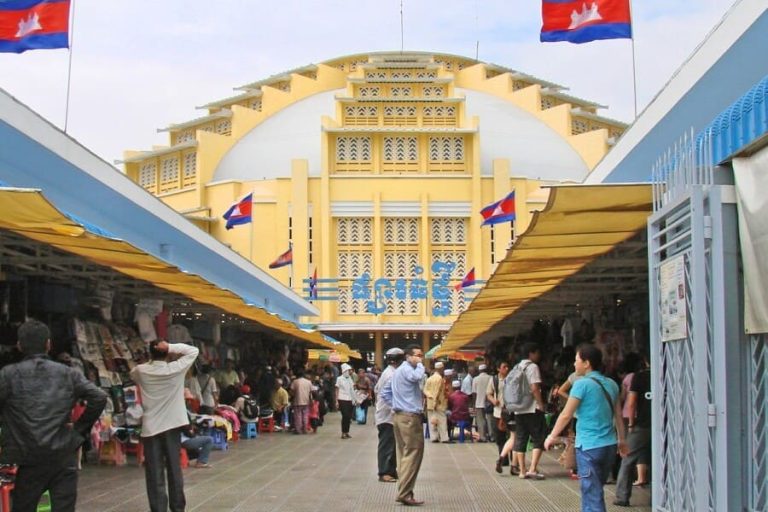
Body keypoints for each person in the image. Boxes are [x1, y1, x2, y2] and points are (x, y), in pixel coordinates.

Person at [0, 320, 106, 512]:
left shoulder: (8, 375)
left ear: (19, 345)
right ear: (48, 344)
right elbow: (98, 396)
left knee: (24, 506)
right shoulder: (67, 374)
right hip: (62, 454)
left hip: (26, 456)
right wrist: (78, 431)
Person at [545, 344, 628, 512]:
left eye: (577, 361)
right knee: (595, 490)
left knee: (591, 491)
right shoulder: (611, 384)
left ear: (586, 363)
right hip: (609, 446)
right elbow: (618, 416)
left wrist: (551, 436)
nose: (574, 364)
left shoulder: (582, 385)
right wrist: (622, 440)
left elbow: (566, 414)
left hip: (589, 447)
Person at [130, 340, 199, 512]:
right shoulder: (176, 369)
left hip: (151, 429)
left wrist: (152, 359)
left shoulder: (141, 371)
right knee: (174, 469)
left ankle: (158, 508)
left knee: (154, 472)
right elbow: (193, 351)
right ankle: (177, 508)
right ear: (167, 353)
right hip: (173, 427)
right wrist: (171, 347)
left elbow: (133, 372)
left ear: (150, 354)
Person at [380, 344, 426, 506]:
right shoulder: (407, 369)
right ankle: (405, 493)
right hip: (409, 417)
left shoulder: (397, 372)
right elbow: (416, 377)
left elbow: (385, 392)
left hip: (400, 416)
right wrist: (420, 365)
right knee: (413, 453)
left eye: (421, 356)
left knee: (404, 455)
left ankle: (405, 491)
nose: (420, 358)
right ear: (408, 356)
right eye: (418, 355)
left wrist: (396, 405)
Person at [614, 353, 651, 507]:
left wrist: (630, 424)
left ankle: (622, 497)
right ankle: (661, 496)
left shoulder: (639, 377)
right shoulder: (667, 373)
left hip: (642, 425)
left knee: (628, 459)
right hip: (664, 426)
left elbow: (631, 403)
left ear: (645, 360)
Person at [512, 343, 548, 480]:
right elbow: (534, 388)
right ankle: (532, 468)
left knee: (521, 438)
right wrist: (540, 404)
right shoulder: (532, 367)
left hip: (518, 409)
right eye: (537, 352)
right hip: (532, 408)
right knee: (538, 437)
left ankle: (521, 470)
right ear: (531, 353)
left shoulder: (516, 367)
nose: (538, 355)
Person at [375, 347, 404, 483]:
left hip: (387, 414)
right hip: (387, 415)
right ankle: (384, 472)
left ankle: (391, 471)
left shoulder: (389, 372)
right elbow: (385, 394)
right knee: (386, 444)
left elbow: (376, 389)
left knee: (392, 444)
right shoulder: (390, 375)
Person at [487, 362, 517, 473]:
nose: (507, 368)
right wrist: (493, 400)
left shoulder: (512, 379)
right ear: (498, 368)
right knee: (500, 437)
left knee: (512, 436)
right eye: (504, 367)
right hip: (498, 412)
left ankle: (513, 460)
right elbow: (489, 393)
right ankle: (503, 459)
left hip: (510, 412)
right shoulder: (494, 380)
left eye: (507, 366)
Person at [423, 362, 450, 443]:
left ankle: (434, 437)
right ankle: (444, 438)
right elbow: (437, 391)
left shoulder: (429, 379)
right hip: (439, 403)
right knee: (442, 420)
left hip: (430, 403)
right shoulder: (439, 379)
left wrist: (430, 397)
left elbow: (425, 390)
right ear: (441, 369)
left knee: (432, 421)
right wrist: (434, 401)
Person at [335, 363, 357, 439]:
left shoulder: (350, 379)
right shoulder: (339, 379)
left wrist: (355, 399)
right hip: (342, 399)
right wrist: (336, 401)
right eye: (348, 370)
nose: (350, 372)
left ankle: (347, 432)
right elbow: (337, 390)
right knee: (345, 415)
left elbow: (352, 390)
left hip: (350, 399)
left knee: (349, 417)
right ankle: (343, 432)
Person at [472, 364, 492, 442]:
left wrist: (474, 404)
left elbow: (474, 393)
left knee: (481, 421)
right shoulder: (490, 378)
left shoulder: (475, 379)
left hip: (479, 402)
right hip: (489, 402)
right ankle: (491, 436)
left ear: (479, 370)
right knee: (490, 420)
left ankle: (482, 436)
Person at [290, 369, 313, 434]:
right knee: (305, 415)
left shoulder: (295, 382)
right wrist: (311, 401)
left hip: (297, 401)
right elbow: (311, 392)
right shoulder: (308, 382)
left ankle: (298, 429)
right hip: (306, 401)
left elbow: (292, 392)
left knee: (298, 415)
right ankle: (305, 429)